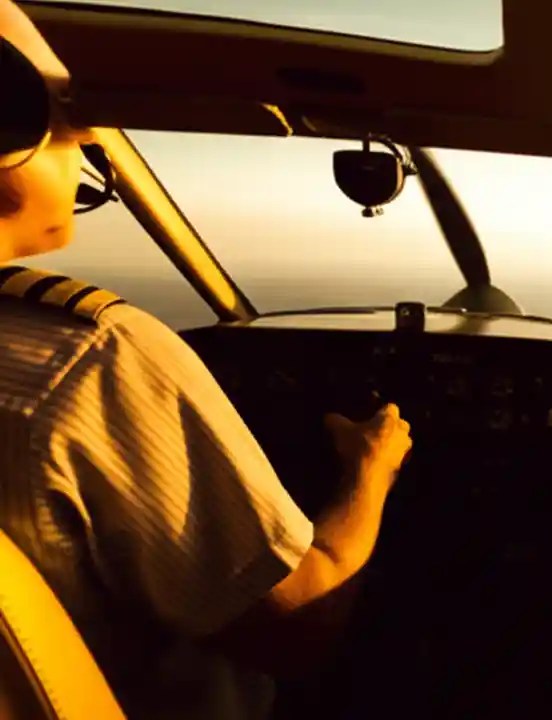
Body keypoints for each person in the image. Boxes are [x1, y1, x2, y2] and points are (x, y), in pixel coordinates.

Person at [0, 2, 413, 718]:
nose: (93, 132)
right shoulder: (88, 362)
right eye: (60, 105)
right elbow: (301, 625)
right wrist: (371, 469)